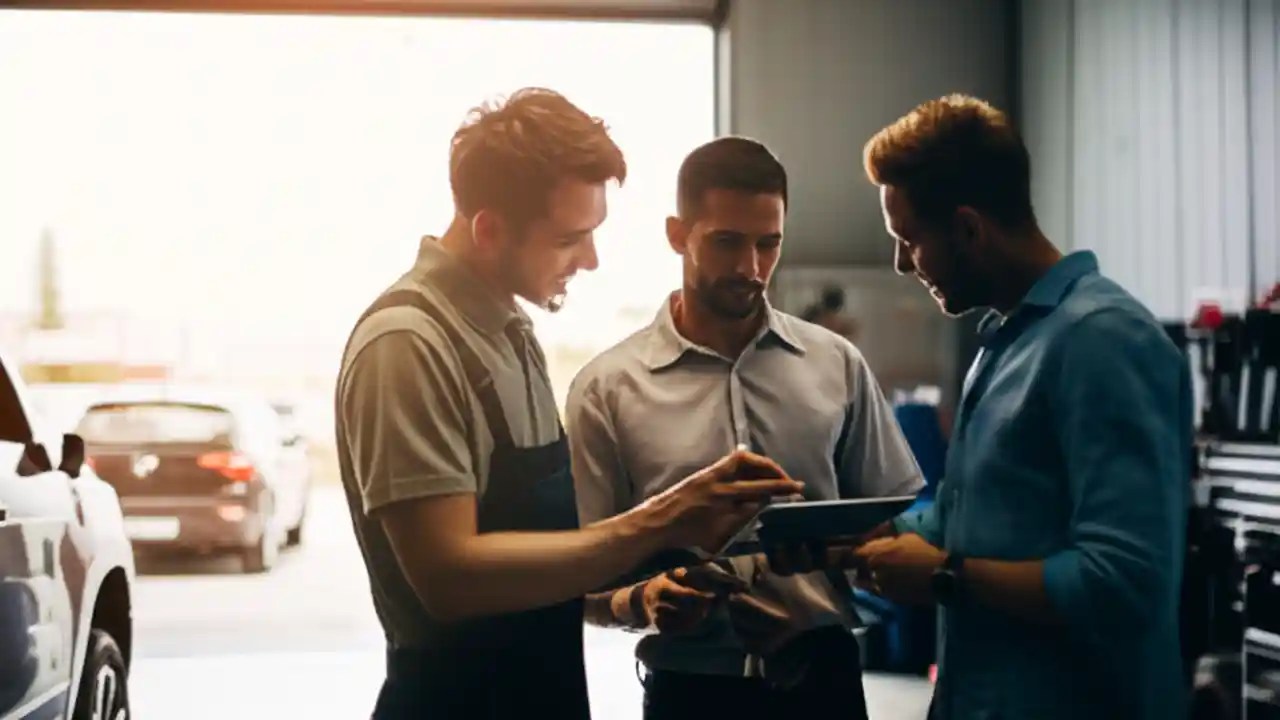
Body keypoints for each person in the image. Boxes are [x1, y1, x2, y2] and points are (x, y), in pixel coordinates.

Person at [333, 89, 803, 720]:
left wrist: (638, 593)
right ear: (490, 230)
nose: (590, 259)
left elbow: (543, 554)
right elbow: (449, 577)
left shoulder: (510, 331)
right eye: (569, 239)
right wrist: (664, 518)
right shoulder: (408, 346)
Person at [790, 94, 1190, 719]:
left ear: (970, 229)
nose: (901, 263)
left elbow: (1125, 583)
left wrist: (946, 576)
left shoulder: (1103, 340)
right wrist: (868, 538)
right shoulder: (1003, 346)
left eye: (909, 240)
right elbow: (969, 520)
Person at [566, 136, 925, 720]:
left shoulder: (837, 364)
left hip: (824, 682)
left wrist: (846, 550)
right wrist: (643, 599)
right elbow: (577, 573)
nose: (750, 268)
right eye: (727, 242)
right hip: (690, 691)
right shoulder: (607, 388)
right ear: (677, 234)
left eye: (768, 244)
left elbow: (890, 527)